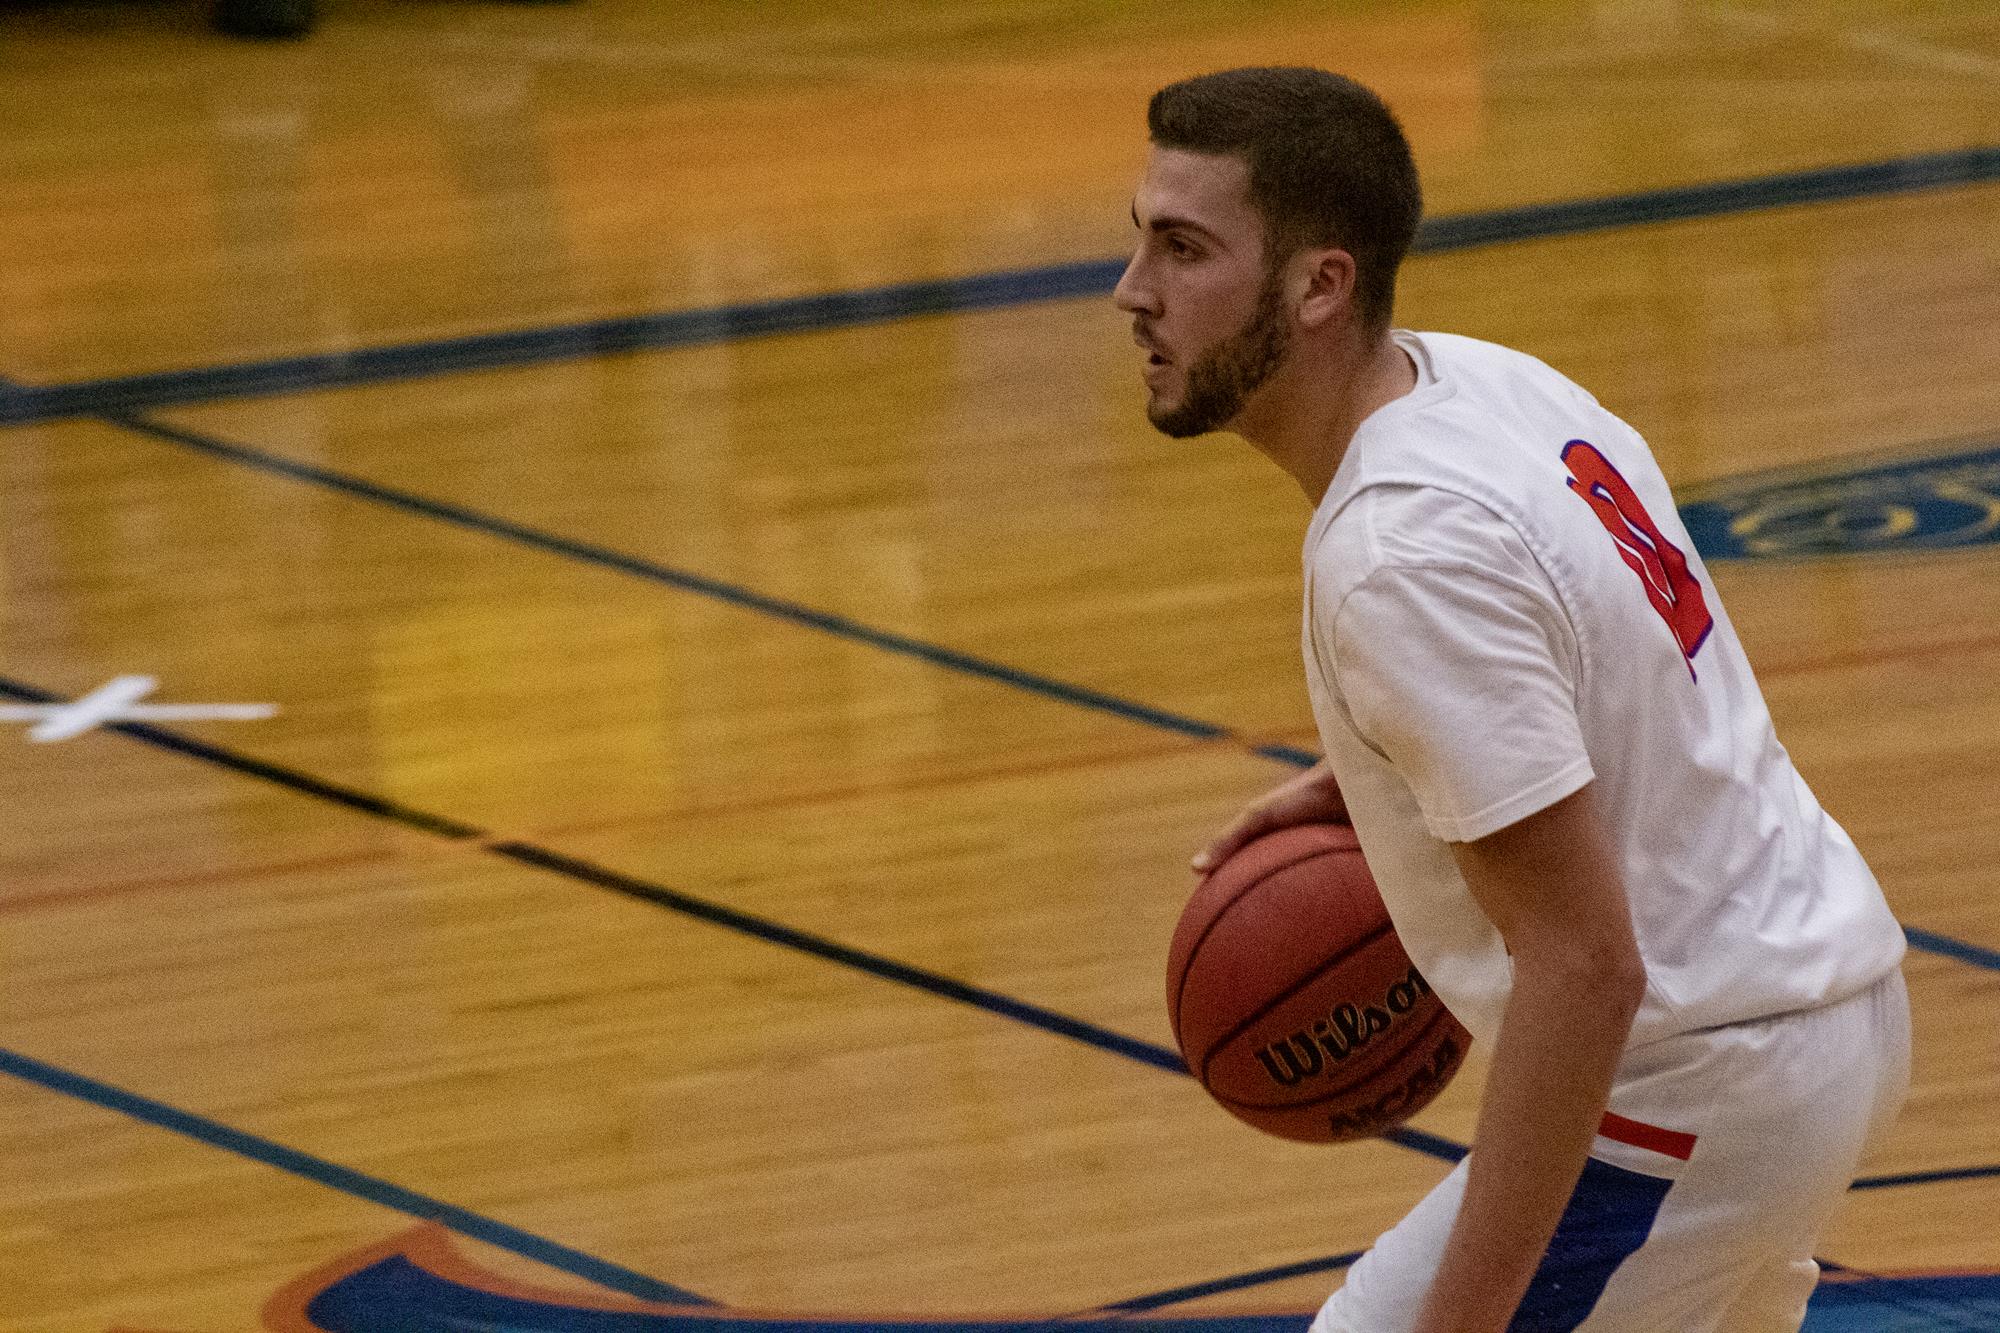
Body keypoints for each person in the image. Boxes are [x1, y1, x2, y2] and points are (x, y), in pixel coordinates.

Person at [1113, 67, 1910, 1333]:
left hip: (1693, 1082)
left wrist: (1462, 1321)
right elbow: (1622, 654)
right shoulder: (1484, 385)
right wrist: (1412, 770)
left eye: (1182, 248)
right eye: (1139, 238)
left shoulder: (1395, 551)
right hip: (1819, 1008)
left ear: (1318, 284)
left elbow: (1585, 966)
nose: (1132, 291)